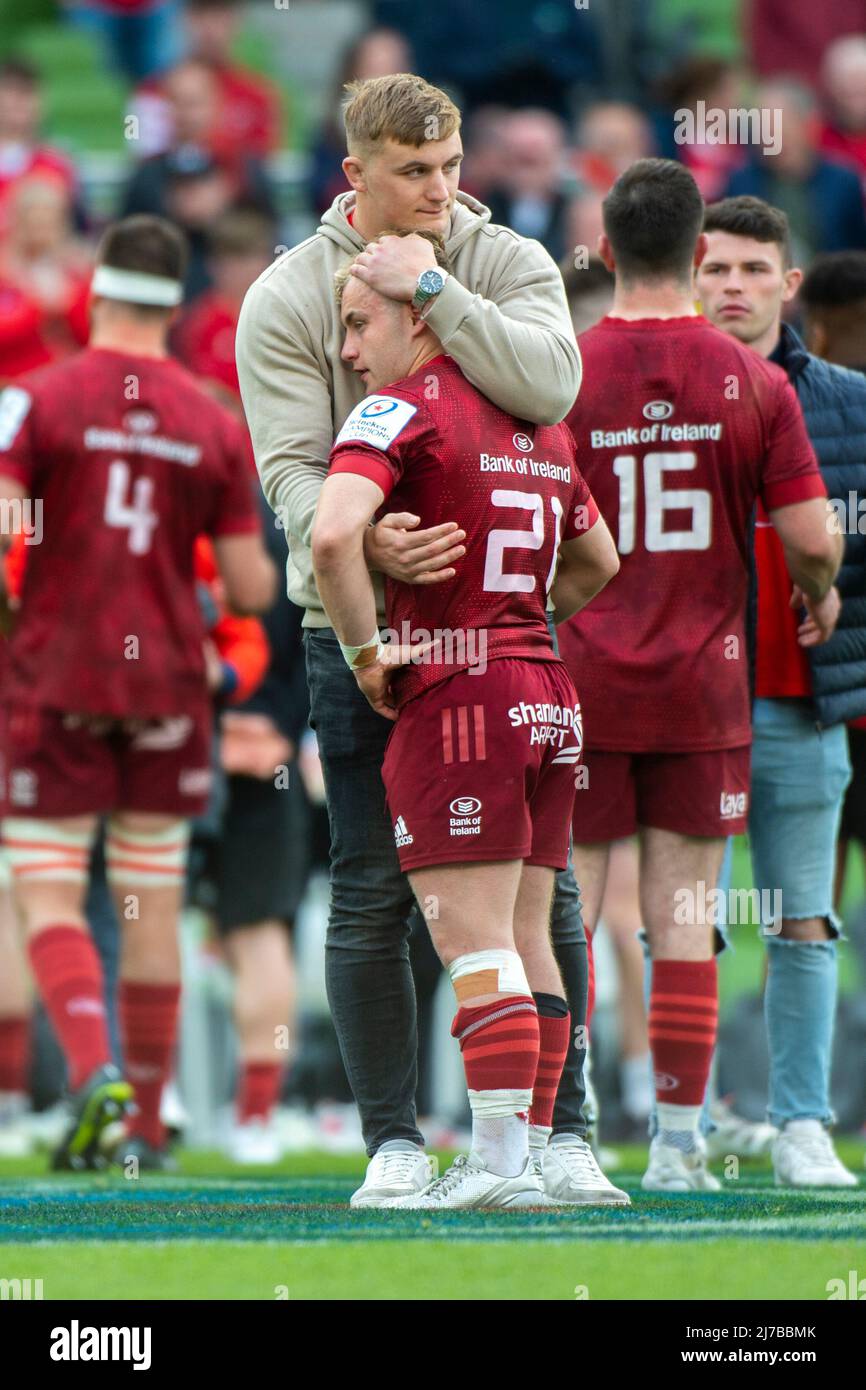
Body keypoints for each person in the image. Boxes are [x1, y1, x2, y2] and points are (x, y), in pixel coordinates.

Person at [237, 71, 618, 1208]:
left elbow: (550, 385)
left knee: (534, 901)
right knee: (370, 887)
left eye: (453, 168)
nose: (440, 192)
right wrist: (365, 549)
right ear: (354, 175)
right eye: (413, 174)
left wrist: (435, 285)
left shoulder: (498, 259)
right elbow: (291, 473)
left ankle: (557, 1140)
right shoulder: (286, 294)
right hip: (358, 621)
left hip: (486, 645)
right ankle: (395, 1142)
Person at [311, 231, 621, 1207]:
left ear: (416, 316)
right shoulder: (538, 420)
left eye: (359, 325)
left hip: (458, 704)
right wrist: (519, 622)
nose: (351, 351)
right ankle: (531, 1154)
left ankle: (491, 1165)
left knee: (469, 937)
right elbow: (598, 564)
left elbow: (327, 538)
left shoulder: (396, 407)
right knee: (532, 933)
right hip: (547, 696)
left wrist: (367, 654)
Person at [559, 158, 842, 1193]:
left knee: (567, 911)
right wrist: (818, 588)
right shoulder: (754, 383)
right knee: (682, 921)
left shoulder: (562, 368)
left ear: (602, 248)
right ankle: (678, 1145)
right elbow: (810, 536)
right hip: (701, 685)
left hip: (581, 678)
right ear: (692, 253)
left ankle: (562, 1140)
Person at [0, 214, 275, 1170]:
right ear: (175, 299)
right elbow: (249, 589)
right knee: (150, 902)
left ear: (99, 289)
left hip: (55, 676)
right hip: (168, 687)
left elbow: (3, 537)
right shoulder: (213, 420)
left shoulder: (33, 401)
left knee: (47, 893)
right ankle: (149, 1129)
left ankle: (93, 1075)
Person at [697, 197, 866, 1185]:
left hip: (801, 697)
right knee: (687, 920)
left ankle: (802, 1121)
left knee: (800, 915)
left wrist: (838, 606)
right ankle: (693, 1116)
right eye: (714, 269)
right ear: (688, 278)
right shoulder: (650, 393)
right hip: (684, 701)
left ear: (787, 284)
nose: (732, 287)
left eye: (752, 270)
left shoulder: (846, 402)